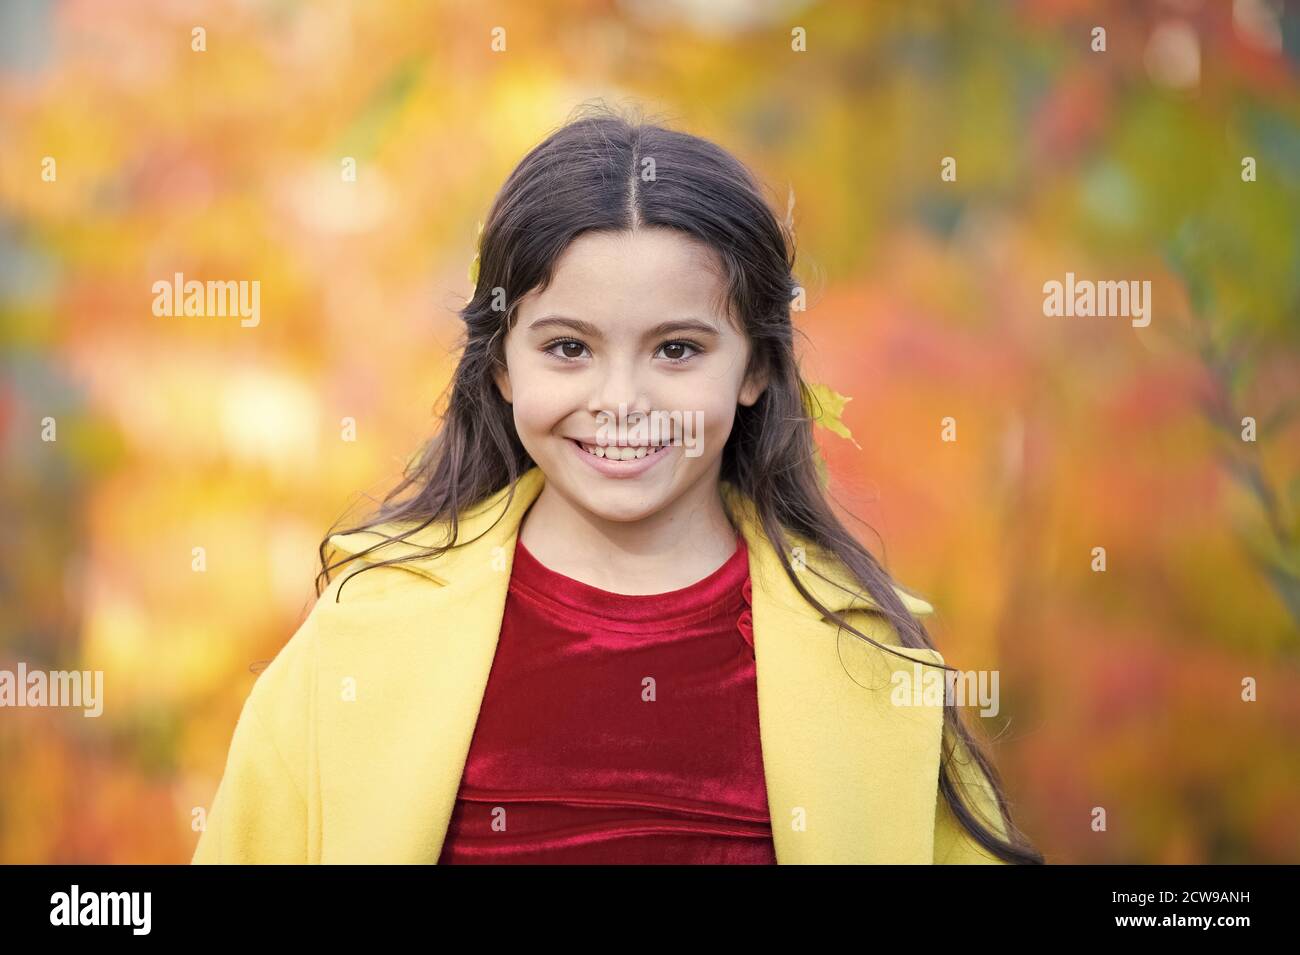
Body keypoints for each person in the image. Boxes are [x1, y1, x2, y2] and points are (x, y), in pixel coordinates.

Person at [192, 104, 1042, 864]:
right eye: (569, 348)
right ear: (500, 368)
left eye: (677, 349)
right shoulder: (366, 634)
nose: (623, 403)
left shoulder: (866, 658)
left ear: (755, 368)